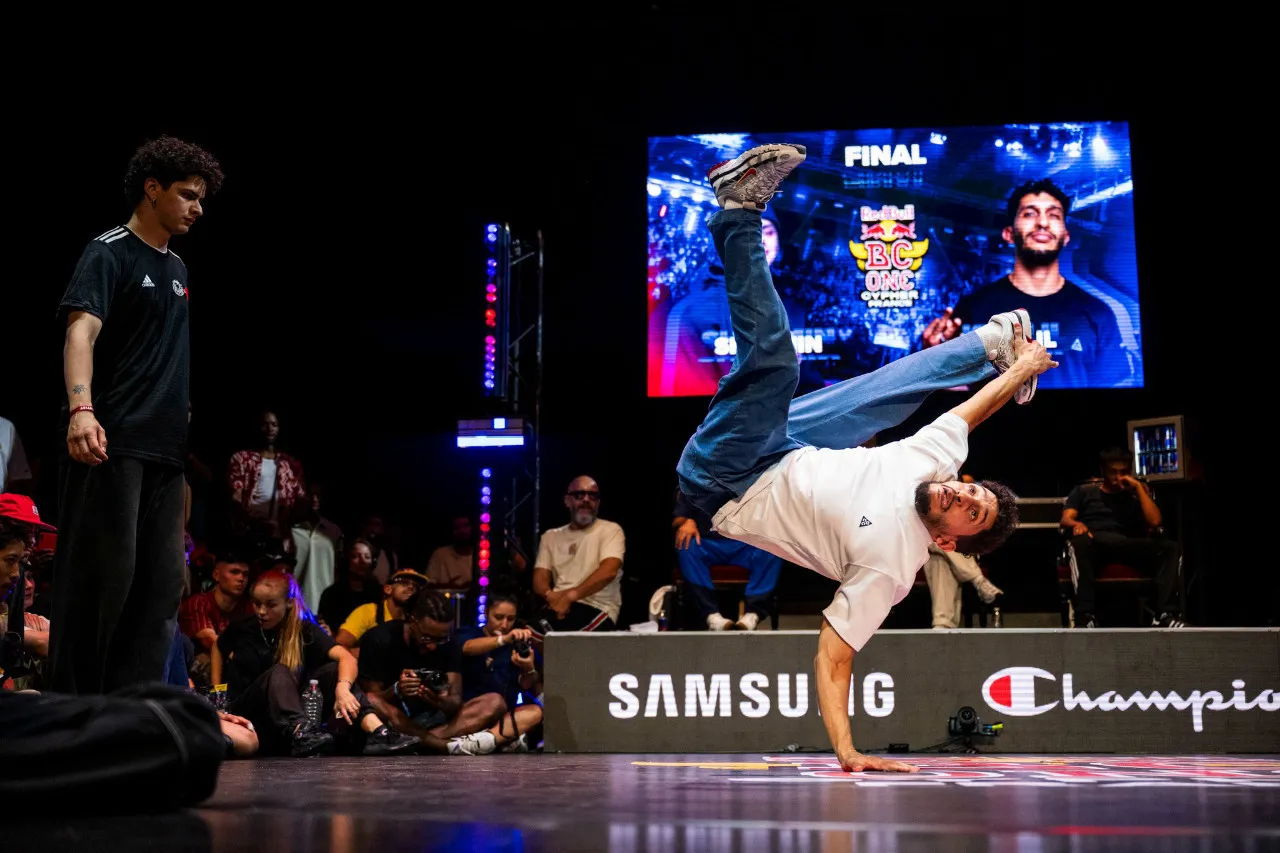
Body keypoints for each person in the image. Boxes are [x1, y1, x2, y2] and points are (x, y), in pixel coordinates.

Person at [676, 143, 1057, 773]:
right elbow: (972, 412)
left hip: (727, 480)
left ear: (952, 544)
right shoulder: (927, 467)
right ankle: (992, 339)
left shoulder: (892, 568)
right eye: (974, 491)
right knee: (882, 401)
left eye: (972, 513)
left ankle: (737, 211)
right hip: (786, 448)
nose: (963, 496)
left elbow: (833, 656)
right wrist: (1014, 363)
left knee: (776, 363)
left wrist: (849, 752)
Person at [48, 136, 223, 695]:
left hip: (164, 453)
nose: (198, 208)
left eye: (202, 199)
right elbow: (81, 331)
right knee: (103, 583)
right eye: (188, 195)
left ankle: (137, 713)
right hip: (111, 442)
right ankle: (76, 709)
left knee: (161, 587)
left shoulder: (178, 267)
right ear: (152, 189)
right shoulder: (109, 251)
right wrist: (82, 409)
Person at [920, 178, 1129, 388]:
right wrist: (938, 368)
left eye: (1054, 215)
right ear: (1009, 234)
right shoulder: (971, 309)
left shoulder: (1099, 314)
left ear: (1065, 237)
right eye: (1029, 213)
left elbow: (1113, 394)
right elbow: (960, 396)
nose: (1043, 222)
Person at [211, 569, 419, 756]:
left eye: (270, 605)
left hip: (285, 715)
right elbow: (217, 648)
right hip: (248, 712)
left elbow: (345, 657)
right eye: (257, 604)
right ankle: (300, 731)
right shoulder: (244, 627)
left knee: (334, 671)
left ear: (289, 603)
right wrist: (216, 690)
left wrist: (342, 689)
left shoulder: (304, 630)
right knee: (280, 671)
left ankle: (377, 731)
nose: (261, 612)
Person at [1060, 448, 1184, 628]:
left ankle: (1164, 614)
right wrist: (1076, 525)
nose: (1118, 478)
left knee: (1170, 547)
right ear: (1103, 471)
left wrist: (1139, 489)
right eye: (1113, 473)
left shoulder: (1136, 493)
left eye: (1124, 472)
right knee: (1078, 543)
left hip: (1128, 543)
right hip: (1095, 543)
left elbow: (1155, 521)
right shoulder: (1084, 492)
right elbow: (1066, 519)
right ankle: (1085, 615)